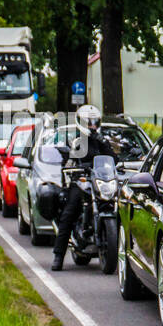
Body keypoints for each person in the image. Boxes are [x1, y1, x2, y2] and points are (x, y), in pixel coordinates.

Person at [51, 104, 110, 270]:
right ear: (81, 123)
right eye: (89, 122)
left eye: (94, 122)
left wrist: (103, 144)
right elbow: (69, 161)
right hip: (81, 182)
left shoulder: (101, 141)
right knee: (69, 214)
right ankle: (58, 256)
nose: (92, 125)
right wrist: (75, 165)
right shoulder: (77, 141)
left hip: (100, 182)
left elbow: (114, 159)